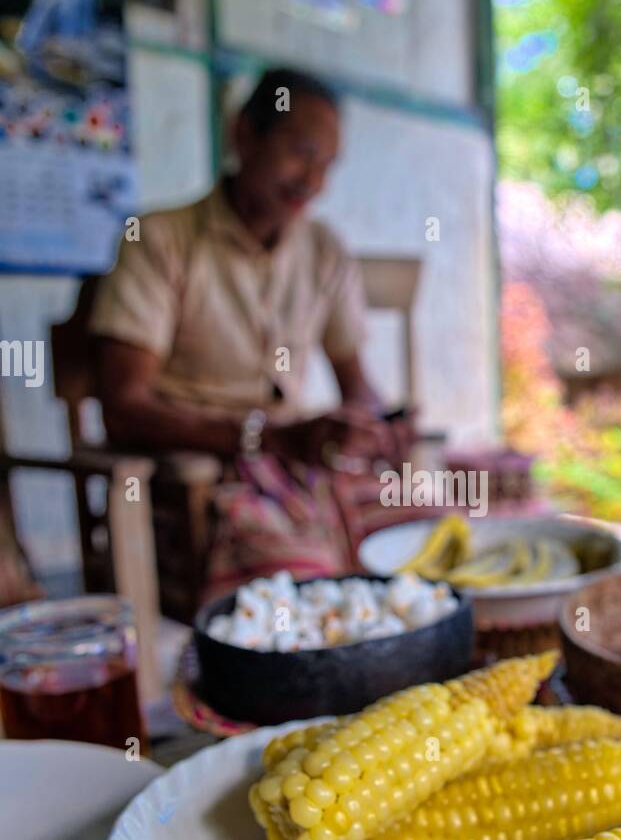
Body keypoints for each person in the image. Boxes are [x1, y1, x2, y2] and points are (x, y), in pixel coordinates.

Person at [90, 67, 401, 587]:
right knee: (308, 591)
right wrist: (262, 439)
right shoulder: (159, 239)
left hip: (297, 474)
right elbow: (124, 405)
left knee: (433, 543)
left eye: (327, 165)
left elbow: (358, 387)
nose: (312, 181)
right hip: (197, 480)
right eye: (299, 152)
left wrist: (375, 425)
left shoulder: (325, 250)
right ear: (243, 135)